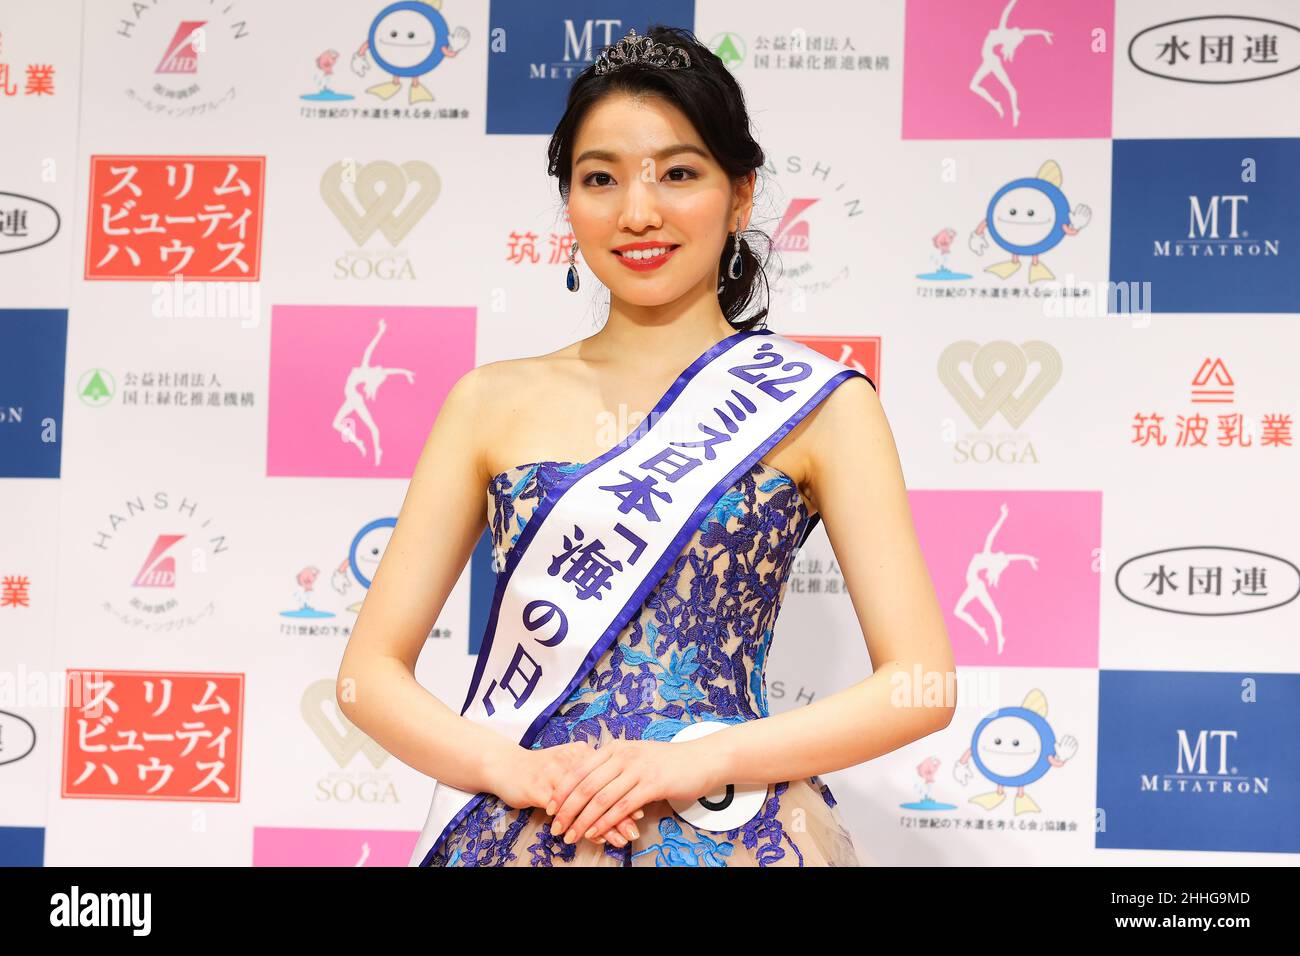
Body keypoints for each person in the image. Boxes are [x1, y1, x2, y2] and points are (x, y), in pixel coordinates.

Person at [337, 24, 955, 867]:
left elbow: (919, 686)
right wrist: (509, 769)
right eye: (601, 179)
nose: (638, 212)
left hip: (735, 829)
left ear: (740, 195)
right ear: (569, 203)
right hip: (527, 828)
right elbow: (369, 674)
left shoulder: (819, 405)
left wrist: (702, 757)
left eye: (678, 173)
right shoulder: (488, 403)